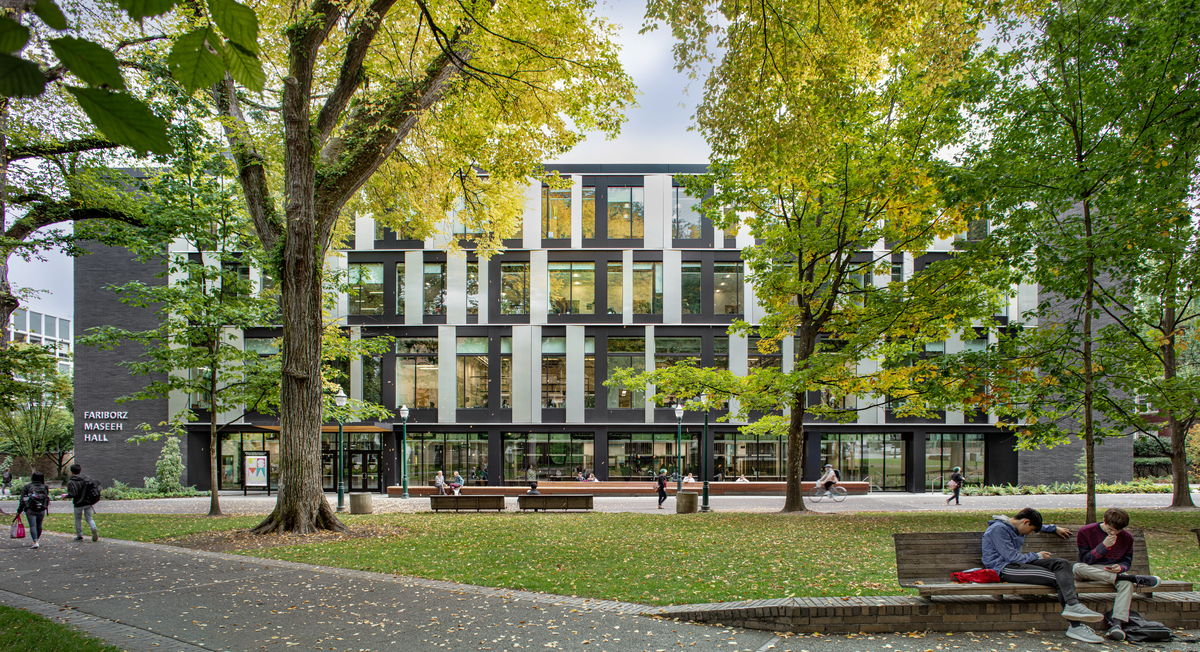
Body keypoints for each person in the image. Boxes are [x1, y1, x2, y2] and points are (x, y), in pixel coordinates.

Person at [982, 508, 1104, 642]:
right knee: (1058, 578)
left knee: (1061, 564)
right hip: (1004, 568)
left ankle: (1073, 605)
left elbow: (1035, 526)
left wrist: (1054, 528)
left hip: (1019, 564)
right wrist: (1037, 556)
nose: (1030, 533)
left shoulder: (1016, 525)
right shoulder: (998, 529)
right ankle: (1076, 625)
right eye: (1031, 530)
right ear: (1025, 522)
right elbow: (1011, 557)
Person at [1072, 508, 1162, 641]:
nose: (1114, 533)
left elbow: (1127, 561)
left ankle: (1116, 625)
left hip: (1112, 571)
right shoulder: (1086, 531)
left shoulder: (1127, 538)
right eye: (1111, 529)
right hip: (1091, 570)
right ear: (1104, 521)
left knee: (1127, 583)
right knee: (1076, 567)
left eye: (1118, 530)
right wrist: (1103, 546)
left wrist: (1120, 567)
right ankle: (1127, 578)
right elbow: (1085, 560)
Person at [15, 471, 51, 549]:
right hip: (41, 508)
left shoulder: (27, 487)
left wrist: (19, 510)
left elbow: (22, 500)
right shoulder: (45, 487)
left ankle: (35, 541)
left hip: (30, 509)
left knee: (33, 525)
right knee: (39, 525)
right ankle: (37, 540)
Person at [65, 464, 99, 542]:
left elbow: (72, 494)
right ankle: (93, 528)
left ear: (71, 471)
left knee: (77, 519)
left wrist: (66, 496)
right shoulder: (87, 478)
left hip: (78, 503)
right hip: (88, 502)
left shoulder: (71, 481)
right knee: (89, 518)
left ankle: (79, 535)